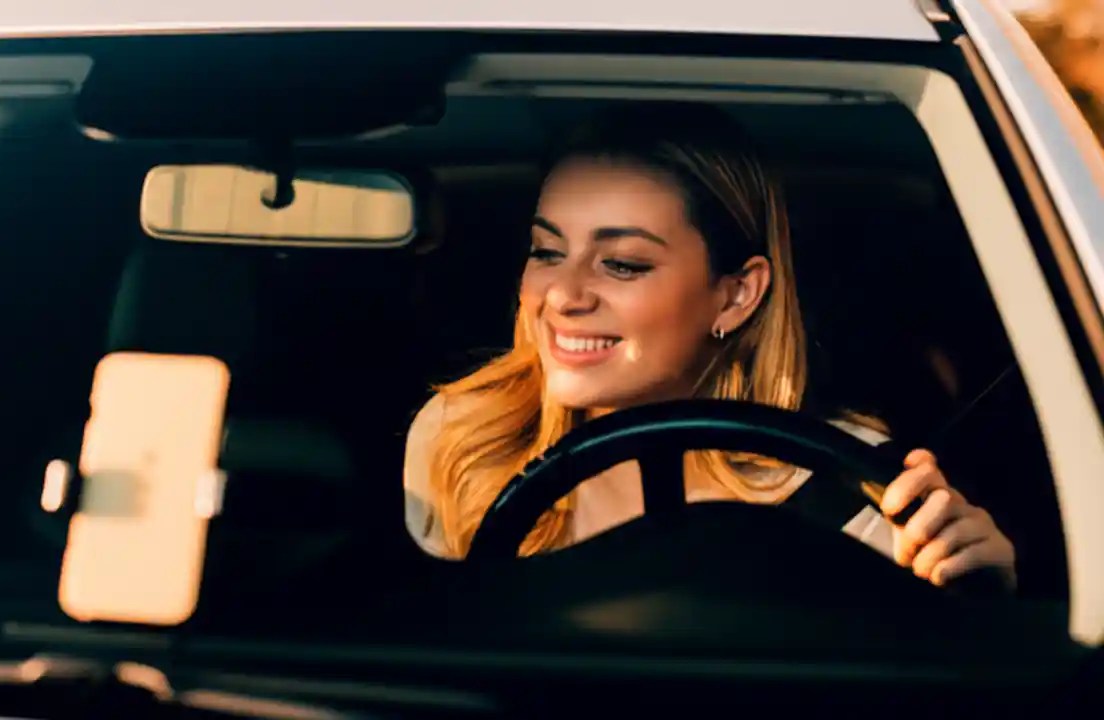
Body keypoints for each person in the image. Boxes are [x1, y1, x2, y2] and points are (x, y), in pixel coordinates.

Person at [402, 104, 1017, 591]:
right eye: (547, 251)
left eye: (621, 263)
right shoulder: (464, 438)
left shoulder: (857, 484)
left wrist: (976, 598)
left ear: (736, 295)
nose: (561, 295)